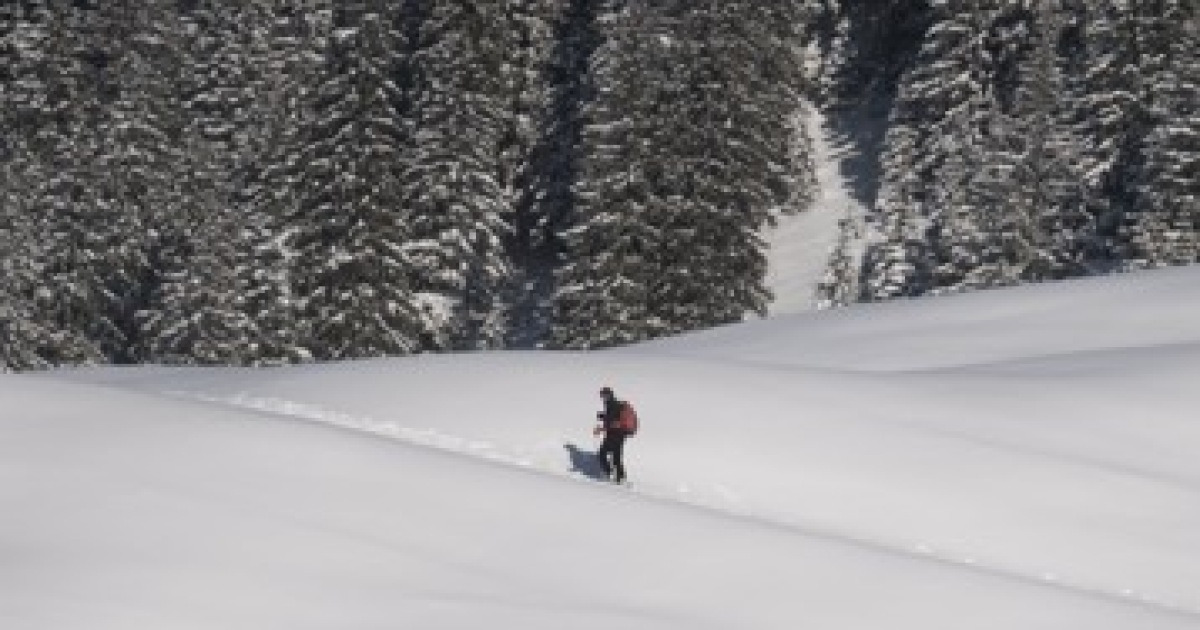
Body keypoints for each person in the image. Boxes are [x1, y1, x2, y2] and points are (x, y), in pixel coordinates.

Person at [595, 386, 630, 483]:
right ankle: (621, 477)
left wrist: (600, 428)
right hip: (621, 434)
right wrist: (603, 416)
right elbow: (613, 418)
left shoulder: (611, 404)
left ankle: (609, 473)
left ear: (608, 395)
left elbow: (612, 422)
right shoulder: (614, 404)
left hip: (614, 434)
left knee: (602, 453)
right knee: (616, 456)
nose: (602, 397)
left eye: (603, 395)